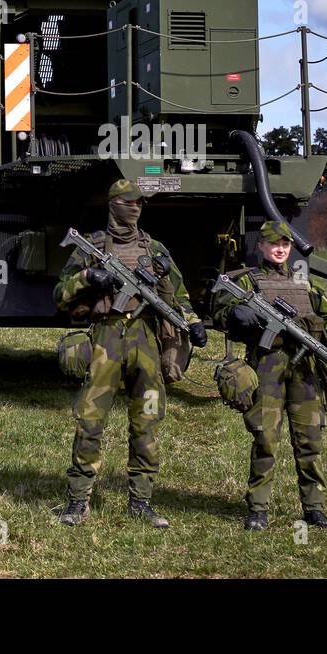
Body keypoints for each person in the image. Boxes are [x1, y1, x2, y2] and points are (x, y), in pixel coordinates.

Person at [54, 178, 208, 528]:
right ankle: (78, 501)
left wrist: (194, 322)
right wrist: (88, 277)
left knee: (147, 422)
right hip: (106, 339)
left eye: (140, 202)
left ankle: (141, 501)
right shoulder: (91, 247)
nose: (135, 207)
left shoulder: (155, 250)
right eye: (129, 201)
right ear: (114, 204)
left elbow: (178, 298)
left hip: (146, 343)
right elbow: (59, 294)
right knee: (90, 421)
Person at [211, 219, 327, 532]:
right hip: (266, 368)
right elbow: (220, 309)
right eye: (274, 243)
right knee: (265, 439)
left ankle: (314, 508)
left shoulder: (304, 283)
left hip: (304, 371)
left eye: (285, 245)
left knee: (309, 440)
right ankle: (258, 508)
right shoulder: (248, 280)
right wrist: (235, 314)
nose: (280, 249)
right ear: (260, 246)